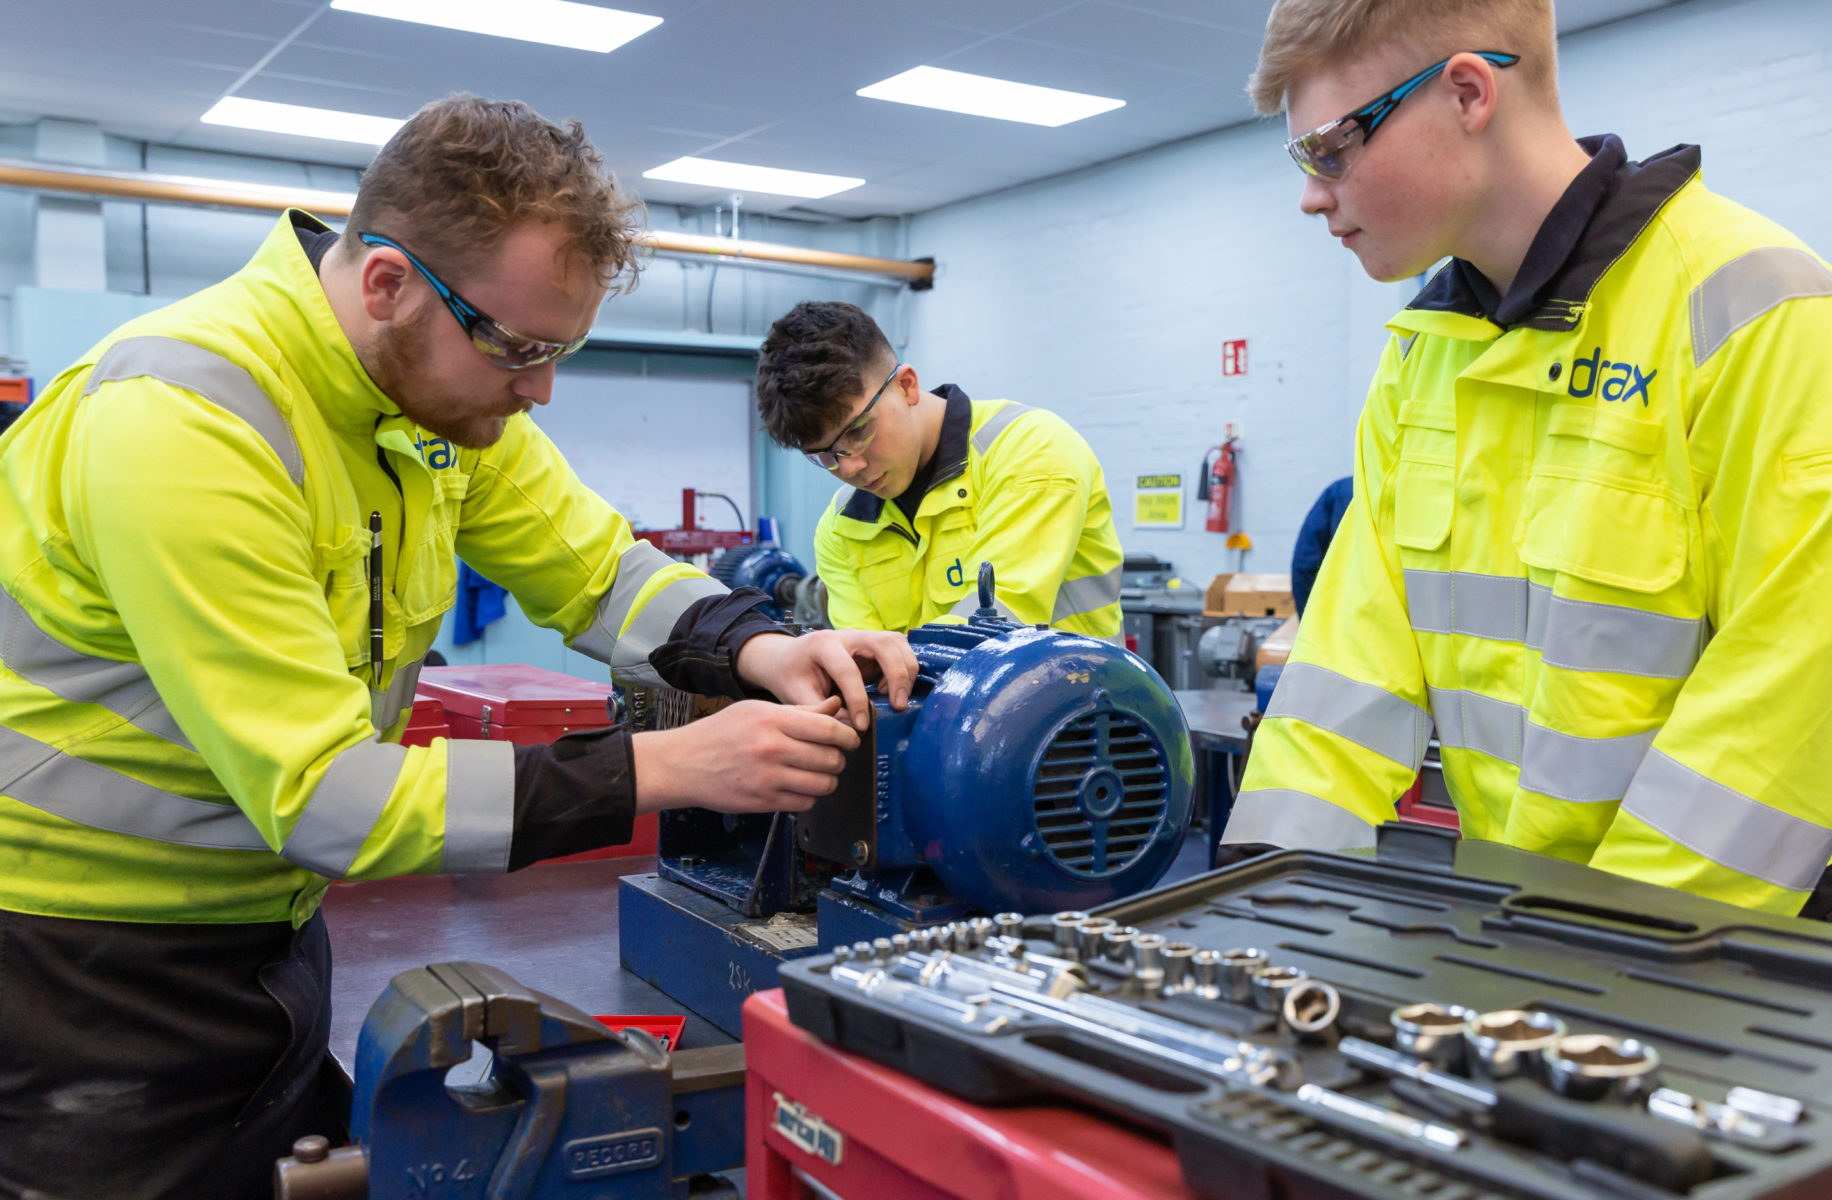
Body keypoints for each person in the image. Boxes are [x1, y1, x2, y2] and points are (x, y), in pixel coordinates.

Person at [0, 96, 916, 1199]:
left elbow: (594, 567)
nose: (541, 388)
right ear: (388, 284)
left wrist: (762, 645)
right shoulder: (187, 422)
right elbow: (331, 799)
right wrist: (667, 767)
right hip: (80, 962)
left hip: (269, 929)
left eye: (560, 350)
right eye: (520, 348)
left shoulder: (433, 396)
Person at [1222, 0, 1832, 925]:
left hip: (1736, 922)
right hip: (1523, 911)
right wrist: (1264, 903)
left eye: (1331, 150)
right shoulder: (1424, 355)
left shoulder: (1762, 312)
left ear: (1468, 93)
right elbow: (1350, 660)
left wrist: (1601, 943)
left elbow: (1792, 701)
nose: (1311, 195)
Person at [756, 301, 1125, 640]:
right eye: (825, 456)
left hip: (1081, 690)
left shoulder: (1031, 449)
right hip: (941, 697)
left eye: (859, 431)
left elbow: (993, 632)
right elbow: (869, 663)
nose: (851, 467)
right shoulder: (841, 527)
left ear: (906, 386)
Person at [1290, 475, 1353, 615]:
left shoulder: (1341, 490)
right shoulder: (1404, 492)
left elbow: (1305, 562)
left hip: (1343, 613)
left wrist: (1308, 618)